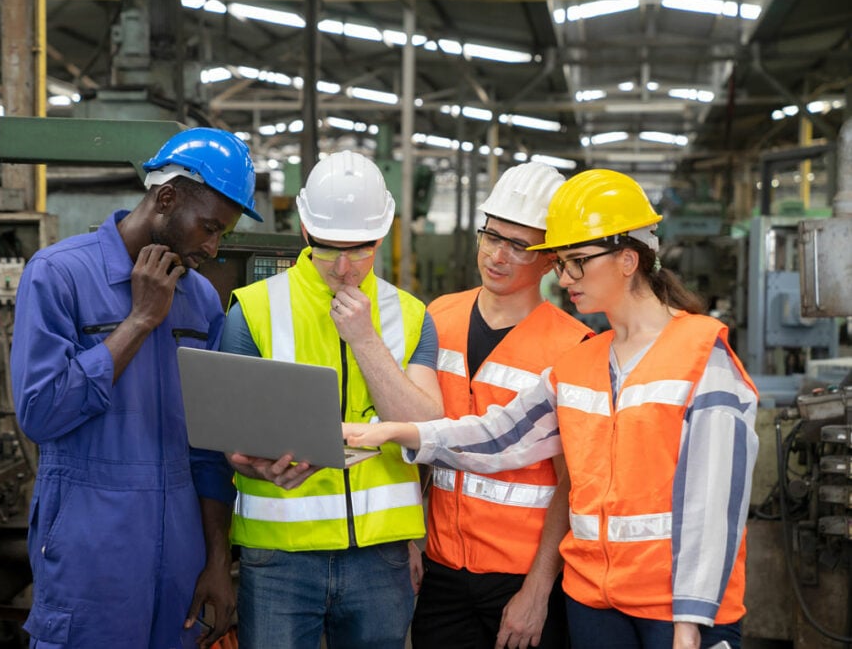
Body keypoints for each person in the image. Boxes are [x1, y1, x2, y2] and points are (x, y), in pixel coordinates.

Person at [346, 168, 759, 649]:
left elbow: (715, 504)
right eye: (562, 262)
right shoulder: (583, 361)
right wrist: (397, 433)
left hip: (673, 610)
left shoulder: (701, 355)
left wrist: (691, 622)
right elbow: (497, 436)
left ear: (628, 260)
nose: (565, 278)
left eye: (577, 261)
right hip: (593, 603)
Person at [10, 127, 261, 648]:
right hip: (90, 556)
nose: (213, 248)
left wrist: (217, 561)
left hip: (181, 561)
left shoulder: (202, 302)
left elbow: (208, 450)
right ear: (166, 198)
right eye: (209, 227)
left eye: (223, 235)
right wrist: (139, 321)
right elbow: (40, 413)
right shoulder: (58, 276)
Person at [219, 150, 445, 649]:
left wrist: (365, 339)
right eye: (327, 249)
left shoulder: (409, 315)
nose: (344, 267)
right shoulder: (253, 310)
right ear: (304, 230)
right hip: (279, 556)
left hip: (379, 555)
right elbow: (229, 437)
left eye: (360, 250)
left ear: (382, 236)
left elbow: (427, 430)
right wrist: (255, 466)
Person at [412, 161, 592, 649]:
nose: (497, 254)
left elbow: (572, 483)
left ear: (552, 257)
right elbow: (422, 439)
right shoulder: (437, 317)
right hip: (441, 570)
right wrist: (411, 538)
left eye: (519, 245)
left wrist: (537, 590)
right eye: (491, 236)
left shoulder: (575, 346)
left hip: (522, 577)